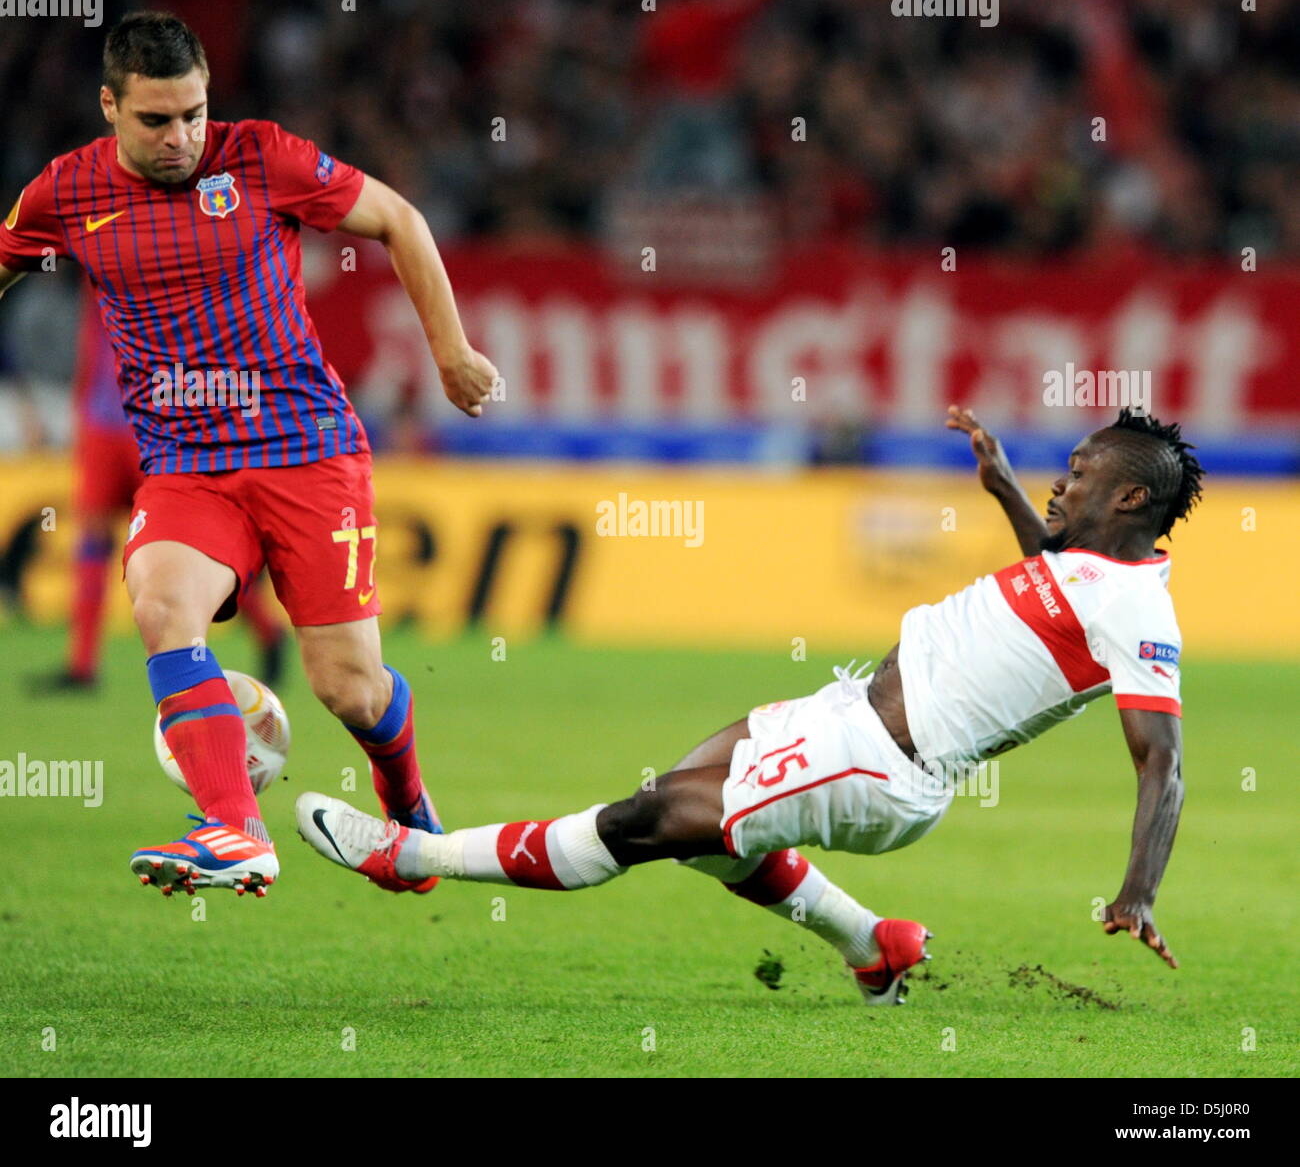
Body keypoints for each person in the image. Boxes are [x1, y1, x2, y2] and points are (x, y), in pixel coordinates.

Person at [299, 407, 1200, 1004]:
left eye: (1077, 472)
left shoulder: (1138, 610)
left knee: (646, 820)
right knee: (697, 821)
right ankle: (873, 941)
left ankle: (412, 852)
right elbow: (1049, 557)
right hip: (846, 711)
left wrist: (1138, 891)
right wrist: (1002, 479)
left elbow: (1162, 758)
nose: (1061, 482)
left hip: (884, 766)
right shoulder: (1088, 563)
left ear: (1129, 496)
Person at [0, 11, 498, 898]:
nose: (180, 136)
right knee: (158, 600)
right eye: (155, 120)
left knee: (350, 689)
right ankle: (236, 828)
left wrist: (452, 352)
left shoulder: (263, 158)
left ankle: (409, 802)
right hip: (187, 467)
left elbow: (400, 218)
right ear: (109, 106)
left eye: (192, 113)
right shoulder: (64, 194)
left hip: (308, 454)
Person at [26, 288, 288, 693]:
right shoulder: (98, 259)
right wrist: (82, 410)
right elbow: (91, 340)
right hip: (102, 424)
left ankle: (268, 631)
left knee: (191, 543)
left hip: (155, 425)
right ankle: (82, 664)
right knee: (92, 536)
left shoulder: (165, 264)